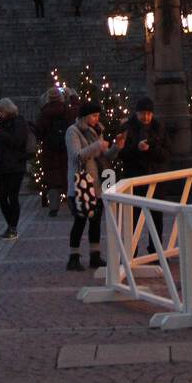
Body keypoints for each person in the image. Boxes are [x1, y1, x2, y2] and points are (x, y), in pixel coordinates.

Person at [65, 101, 124, 272]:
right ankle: (73, 257)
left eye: (98, 116)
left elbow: (105, 157)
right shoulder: (73, 132)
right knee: (80, 220)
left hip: (98, 182)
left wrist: (116, 146)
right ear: (84, 117)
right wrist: (96, 146)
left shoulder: (98, 130)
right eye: (93, 116)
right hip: (82, 181)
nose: (97, 119)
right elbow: (76, 157)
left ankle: (95, 255)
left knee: (96, 220)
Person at [120, 96, 172, 246]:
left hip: (155, 179)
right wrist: (137, 149)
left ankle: (156, 250)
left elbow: (167, 153)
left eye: (149, 113)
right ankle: (132, 252)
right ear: (136, 113)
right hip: (134, 179)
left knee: (156, 218)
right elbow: (121, 153)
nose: (146, 117)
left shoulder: (159, 127)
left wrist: (151, 149)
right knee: (134, 219)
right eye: (143, 113)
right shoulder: (127, 128)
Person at [0, 99, 30, 240]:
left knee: (12, 196)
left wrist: (0, 134)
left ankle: (13, 226)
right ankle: (10, 224)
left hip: (16, 165)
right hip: (4, 165)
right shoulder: (3, 124)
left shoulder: (19, 122)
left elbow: (16, 141)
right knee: (1, 196)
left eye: (1, 111)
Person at [35, 87, 70, 216]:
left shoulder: (44, 113)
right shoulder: (66, 110)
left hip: (49, 151)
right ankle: (72, 206)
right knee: (67, 177)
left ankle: (53, 208)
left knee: (52, 179)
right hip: (66, 149)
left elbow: (39, 131)